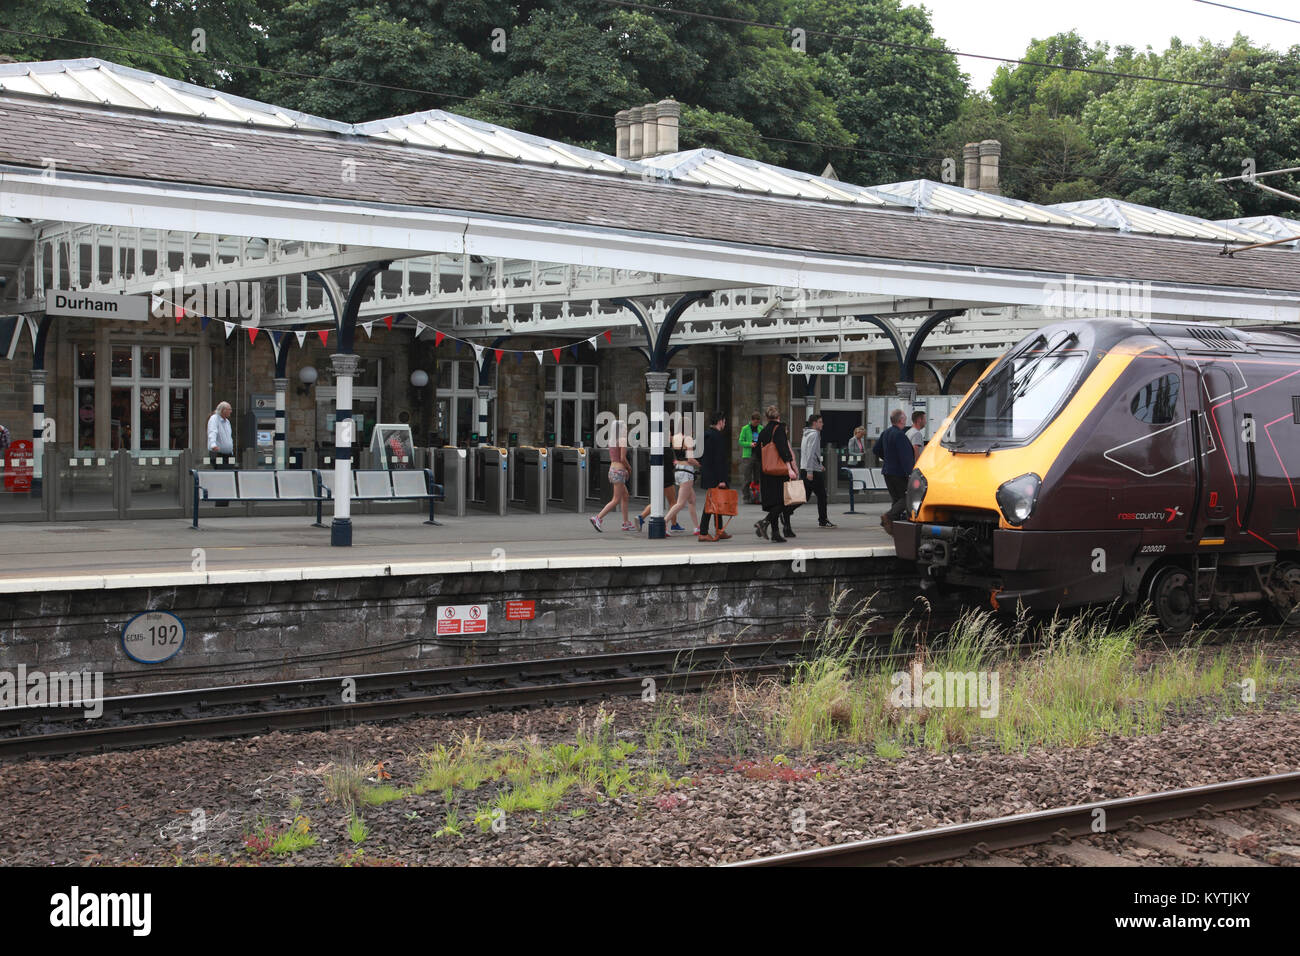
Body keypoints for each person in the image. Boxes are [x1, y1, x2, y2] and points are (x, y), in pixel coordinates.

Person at [755, 405, 798, 543]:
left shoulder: (763, 431)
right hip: (779, 472)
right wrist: (790, 468)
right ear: (778, 417)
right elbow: (783, 449)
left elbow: (757, 453)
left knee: (774, 503)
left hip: (766, 472)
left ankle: (775, 533)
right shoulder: (778, 429)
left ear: (767, 418)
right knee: (783, 502)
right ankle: (764, 522)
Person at [873, 409, 914, 533]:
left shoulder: (886, 433)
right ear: (901, 420)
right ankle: (888, 516)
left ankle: (893, 526)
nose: (906, 420)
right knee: (908, 498)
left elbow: (876, 449)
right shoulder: (900, 435)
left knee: (896, 499)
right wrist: (910, 474)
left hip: (887, 471)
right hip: (899, 473)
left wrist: (888, 459)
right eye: (905, 418)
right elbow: (905, 457)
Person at [591, 421, 634, 532]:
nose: (627, 430)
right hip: (619, 471)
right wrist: (629, 468)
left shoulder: (612, 440)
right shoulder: (623, 440)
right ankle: (598, 518)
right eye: (625, 428)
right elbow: (623, 458)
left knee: (625, 496)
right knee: (615, 500)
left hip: (612, 470)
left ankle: (626, 523)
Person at [697, 411, 731, 541]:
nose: (724, 424)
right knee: (711, 504)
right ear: (720, 421)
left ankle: (719, 529)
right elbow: (719, 460)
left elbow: (699, 455)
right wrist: (722, 479)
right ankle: (703, 532)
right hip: (716, 477)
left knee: (716, 502)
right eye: (724, 421)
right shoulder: (717, 437)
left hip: (708, 474)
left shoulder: (705, 435)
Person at [637, 428, 679, 532]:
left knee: (657, 501)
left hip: (659, 477)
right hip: (668, 478)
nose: (671, 437)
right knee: (673, 502)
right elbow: (672, 464)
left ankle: (641, 517)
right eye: (669, 435)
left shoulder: (658, 448)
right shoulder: (668, 450)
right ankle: (673, 524)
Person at [800, 413, 835, 529]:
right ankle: (823, 520)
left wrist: (820, 465)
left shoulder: (806, 433)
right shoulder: (814, 434)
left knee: (804, 497)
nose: (822, 424)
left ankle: (785, 512)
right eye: (820, 422)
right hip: (812, 471)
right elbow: (810, 453)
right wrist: (811, 471)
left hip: (806, 468)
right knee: (822, 496)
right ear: (814, 423)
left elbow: (811, 453)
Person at [663, 434, 700, 535]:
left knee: (692, 500)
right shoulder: (688, 439)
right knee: (680, 503)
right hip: (686, 472)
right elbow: (690, 459)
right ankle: (664, 522)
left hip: (678, 471)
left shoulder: (675, 438)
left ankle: (697, 527)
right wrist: (700, 465)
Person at [738, 412, 761, 503]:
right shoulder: (745, 429)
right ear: (751, 420)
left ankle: (756, 497)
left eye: (758, 422)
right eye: (755, 422)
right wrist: (749, 444)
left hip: (758, 455)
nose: (756, 424)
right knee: (747, 478)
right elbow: (740, 441)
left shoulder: (760, 428)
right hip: (748, 455)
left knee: (757, 477)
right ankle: (746, 497)